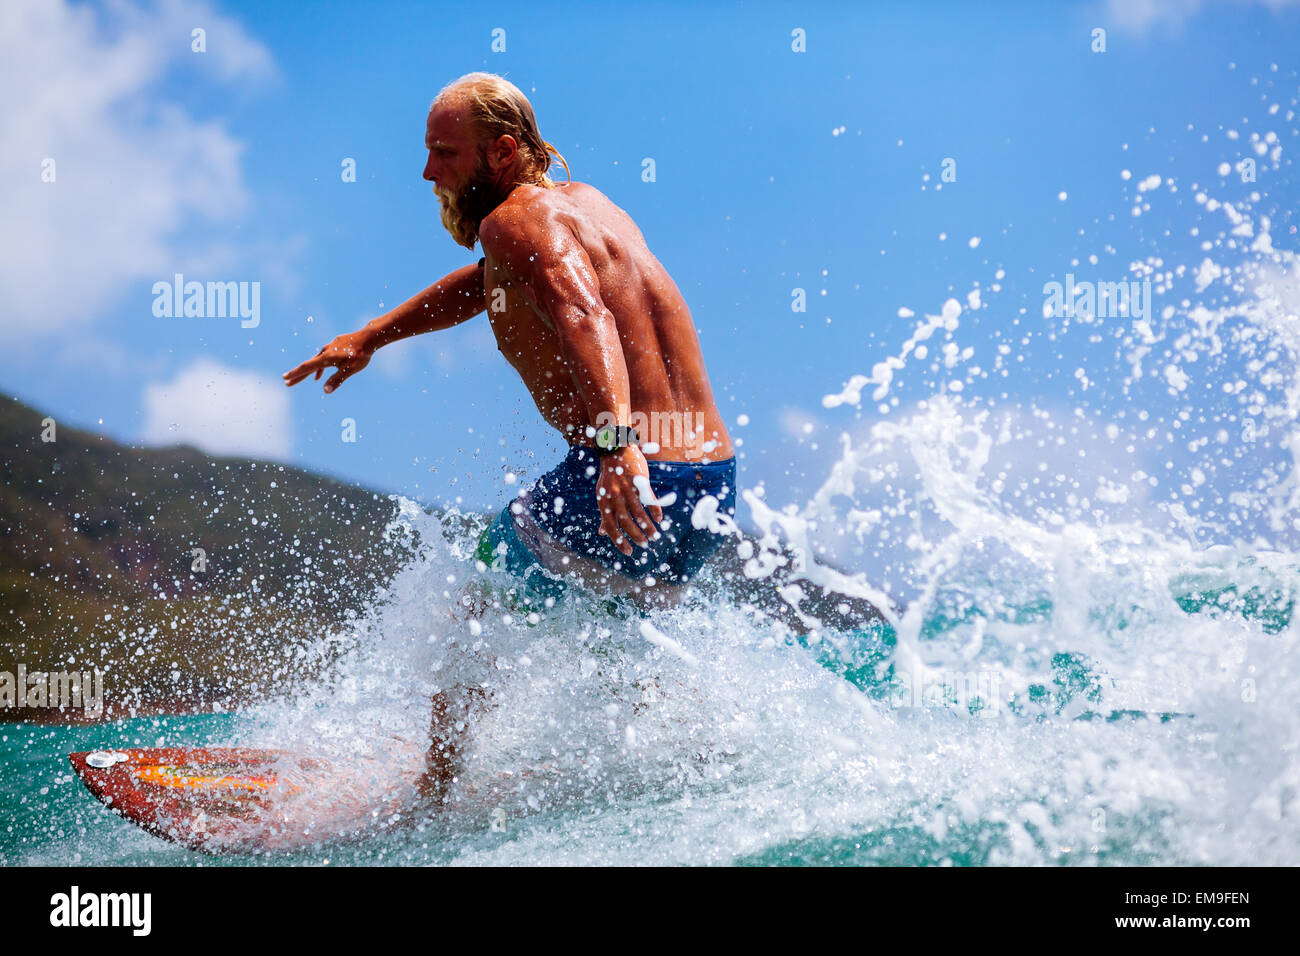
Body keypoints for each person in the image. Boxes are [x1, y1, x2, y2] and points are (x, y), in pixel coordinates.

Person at [283, 72, 737, 797]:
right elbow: (490, 284)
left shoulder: (513, 223)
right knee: (622, 626)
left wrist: (619, 449)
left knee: (478, 593)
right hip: (708, 486)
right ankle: (652, 768)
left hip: (627, 470)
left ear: (500, 152)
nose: (428, 171)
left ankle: (431, 796)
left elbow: (580, 311)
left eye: (445, 153)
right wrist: (373, 335)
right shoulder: (591, 209)